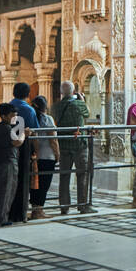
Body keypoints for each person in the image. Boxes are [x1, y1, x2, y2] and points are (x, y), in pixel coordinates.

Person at [53, 81, 93, 215]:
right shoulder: (78, 104)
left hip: (63, 144)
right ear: (73, 91)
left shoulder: (56, 106)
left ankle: (64, 206)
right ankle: (82, 205)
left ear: (61, 92)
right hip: (79, 144)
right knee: (82, 175)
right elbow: (87, 113)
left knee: (64, 176)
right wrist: (82, 100)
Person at [0, 103, 23, 227]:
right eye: (12, 116)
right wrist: (24, 134)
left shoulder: (0, 127)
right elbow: (17, 142)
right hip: (7, 161)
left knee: (0, 190)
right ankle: (1, 217)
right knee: (6, 190)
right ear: (3, 116)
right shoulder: (6, 128)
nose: (15, 118)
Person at [7, 83, 38, 223]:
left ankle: (7, 211)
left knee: (9, 181)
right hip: (23, 147)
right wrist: (35, 151)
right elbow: (34, 131)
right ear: (28, 94)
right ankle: (19, 214)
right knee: (22, 181)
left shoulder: (8, 106)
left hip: (8, 148)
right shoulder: (28, 110)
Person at [28, 96, 58, 220]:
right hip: (47, 156)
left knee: (35, 184)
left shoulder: (31, 118)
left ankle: (35, 209)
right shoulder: (47, 119)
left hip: (35, 156)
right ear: (45, 106)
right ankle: (38, 211)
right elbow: (53, 140)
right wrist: (57, 154)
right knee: (44, 184)